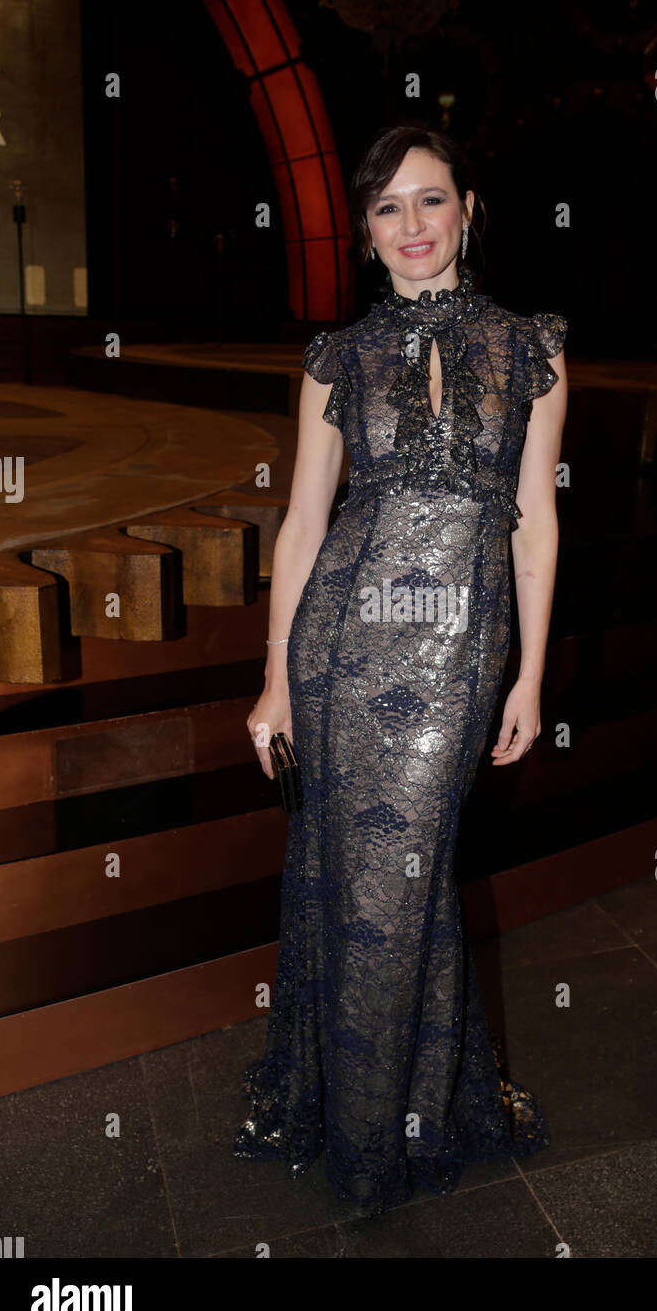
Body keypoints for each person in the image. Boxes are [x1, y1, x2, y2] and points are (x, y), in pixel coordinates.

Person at [233, 122, 568, 1219]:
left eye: (430, 201)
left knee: (409, 874)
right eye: (387, 207)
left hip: (460, 648)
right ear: (366, 232)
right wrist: (277, 681)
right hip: (341, 638)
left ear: (469, 210)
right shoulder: (337, 356)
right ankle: (368, 1129)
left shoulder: (532, 349)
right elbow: (299, 528)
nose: (411, 226)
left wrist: (525, 680)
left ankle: (397, 1116)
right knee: (351, 874)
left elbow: (533, 527)